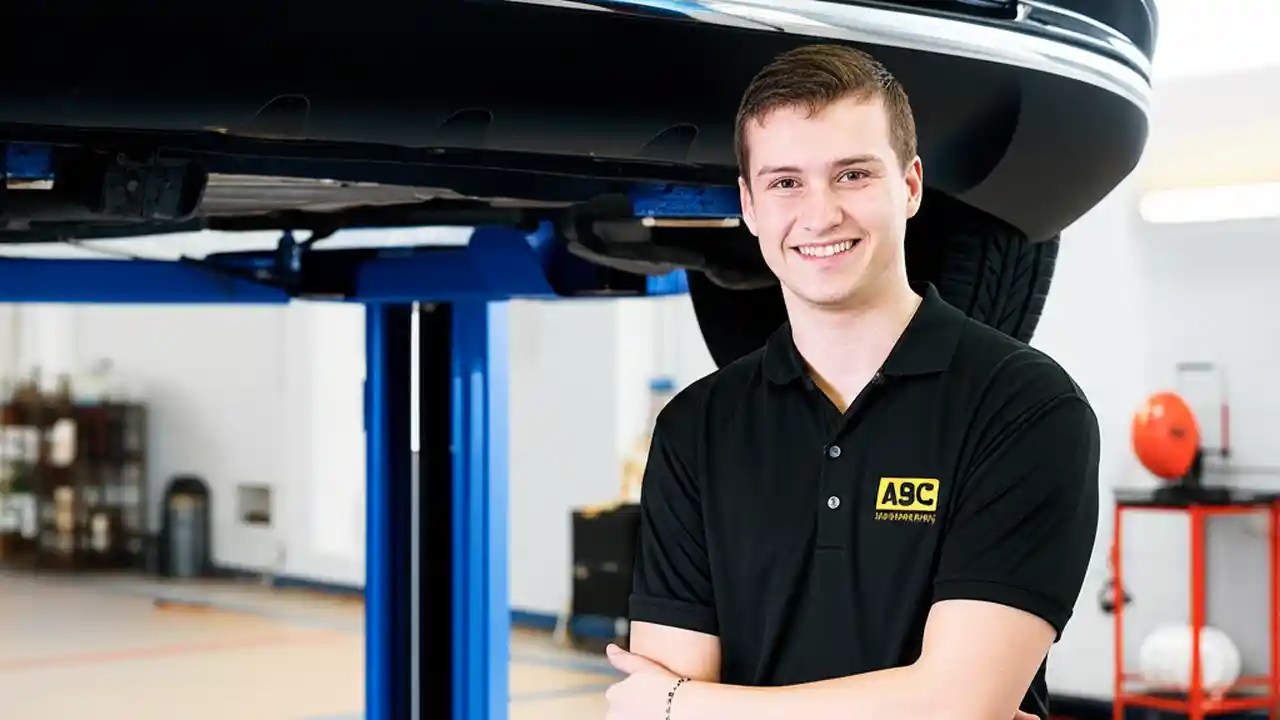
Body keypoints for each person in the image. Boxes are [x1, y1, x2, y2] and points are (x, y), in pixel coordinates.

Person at [602, 44, 1100, 720]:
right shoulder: (697, 428)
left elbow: (958, 704)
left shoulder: (1025, 407)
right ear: (749, 206)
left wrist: (683, 703)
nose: (821, 215)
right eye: (785, 183)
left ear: (911, 186)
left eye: (853, 175)